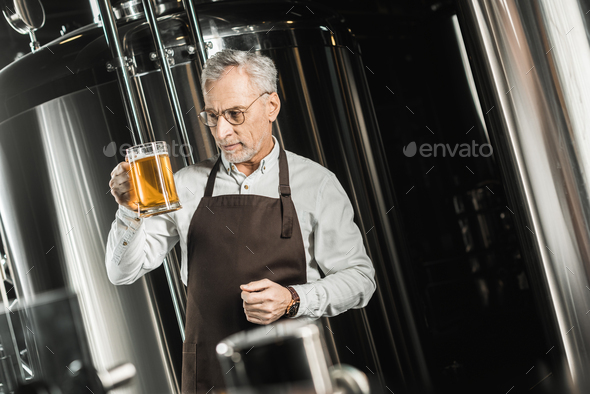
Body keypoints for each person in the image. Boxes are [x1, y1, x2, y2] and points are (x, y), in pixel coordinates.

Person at [105, 48, 376, 394]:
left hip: (292, 379)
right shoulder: (186, 185)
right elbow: (121, 272)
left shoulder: (316, 184)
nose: (221, 132)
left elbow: (360, 280)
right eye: (212, 116)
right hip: (210, 378)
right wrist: (130, 210)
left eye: (235, 114)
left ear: (271, 106)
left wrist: (294, 299)